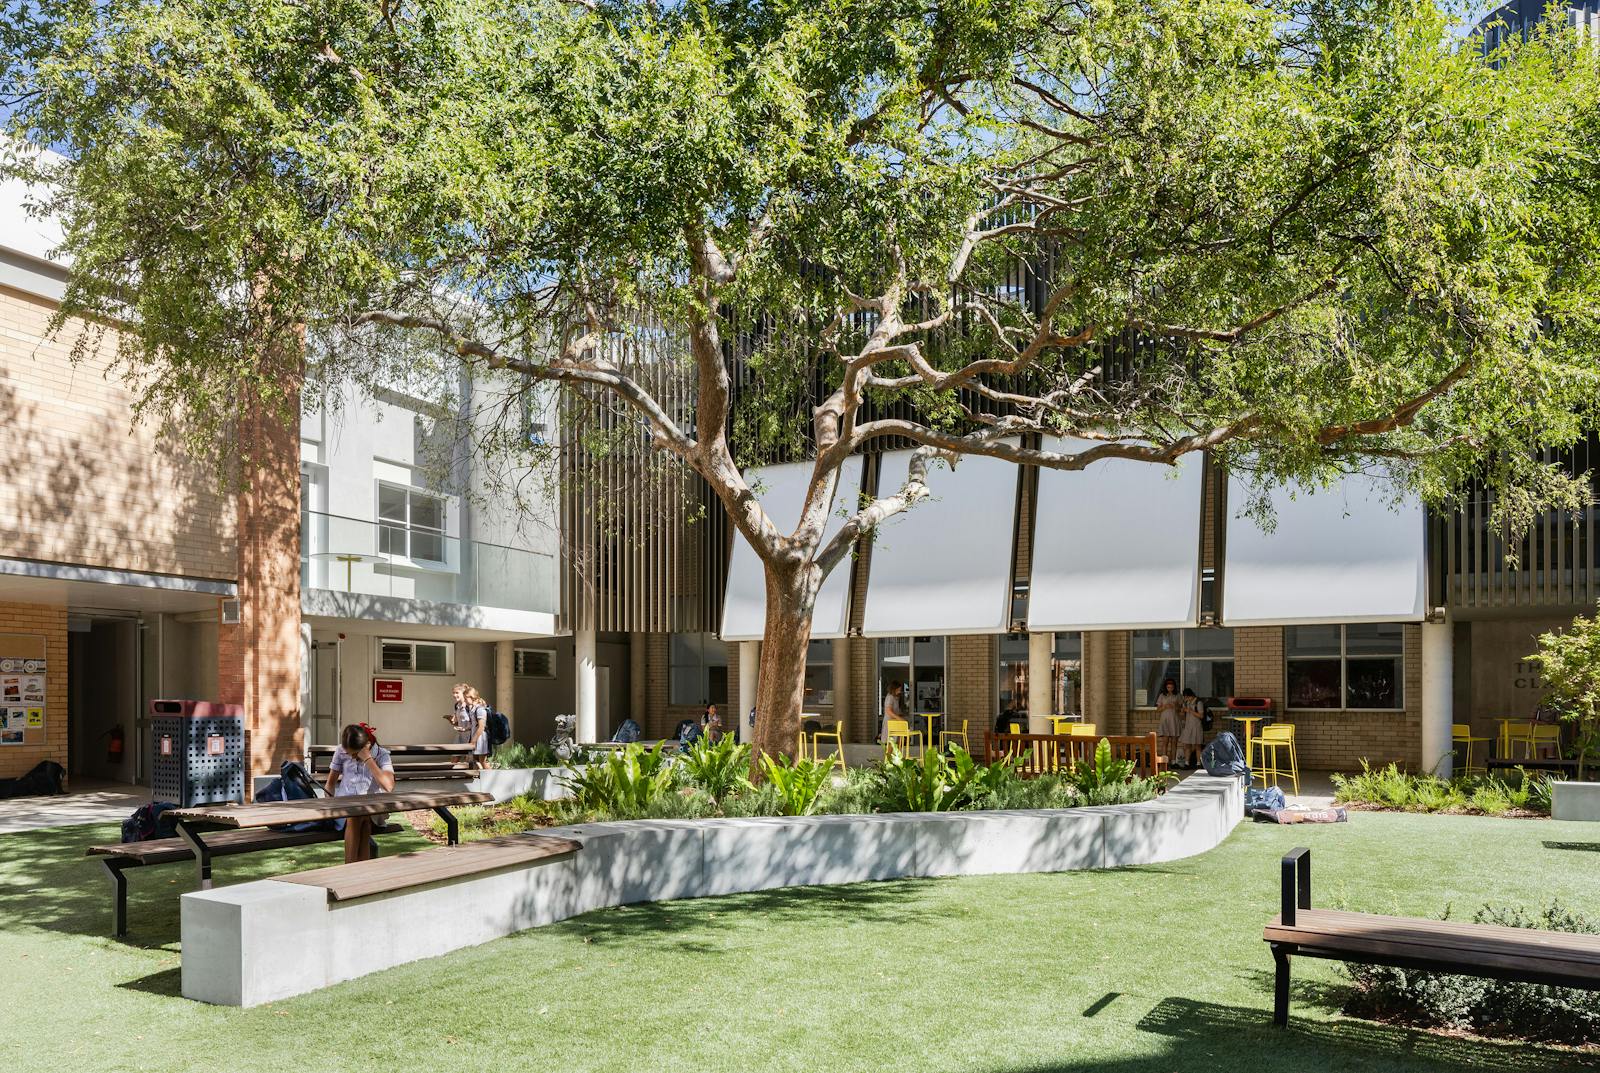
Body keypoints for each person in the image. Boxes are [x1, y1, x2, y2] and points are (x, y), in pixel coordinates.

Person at [325, 722, 396, 796]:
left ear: (367, 745)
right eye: (347, 753)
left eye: (355, 754)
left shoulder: (381, 754)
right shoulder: (340, 750)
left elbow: (389, 787)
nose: (352, 757)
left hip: (370, 804)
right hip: (344, 801)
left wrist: (368, 759)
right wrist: (329, 801)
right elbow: (330, 784)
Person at [453, 682, 492, 771]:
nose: (465, 701)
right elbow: (474, 725)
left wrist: (473, 741)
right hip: (476, 738)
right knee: (474, 761)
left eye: (466, 699)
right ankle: (479, 779)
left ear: (472, 698)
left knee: (483, 761)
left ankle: (490, 776)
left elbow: (481, 727)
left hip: (481, 739)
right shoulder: (472, 709)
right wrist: (464, 729)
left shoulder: (480, 709)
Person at [1154, 678, 1182, 769]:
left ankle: (1173, 762)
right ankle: (1163, 761)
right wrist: (1165, 706)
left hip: (1174, 720)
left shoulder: (1178, 695)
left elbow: (1180, 709)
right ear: (1166, 687)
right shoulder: (1162, 695)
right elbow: (1158, 709)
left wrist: (1175, 706)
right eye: (1168, 687)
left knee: (1174, 742)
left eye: (1172, 687)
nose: (1170, 689)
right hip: (1165, 720)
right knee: (1165, 742)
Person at [1177, 687, 1206, 769]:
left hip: (1196, 726)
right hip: (1188, 726)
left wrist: (1190, 711)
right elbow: (1183, 717)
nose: (1186, 699)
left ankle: (1198, 763)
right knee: (1187, 745)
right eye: (1185, 697)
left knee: (1197, 745)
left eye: (1187, 697)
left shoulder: (1198, 703)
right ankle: (1187, 763)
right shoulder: (1186, 703)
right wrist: (1182, 712)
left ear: (1191, 695)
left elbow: (1201, 715)